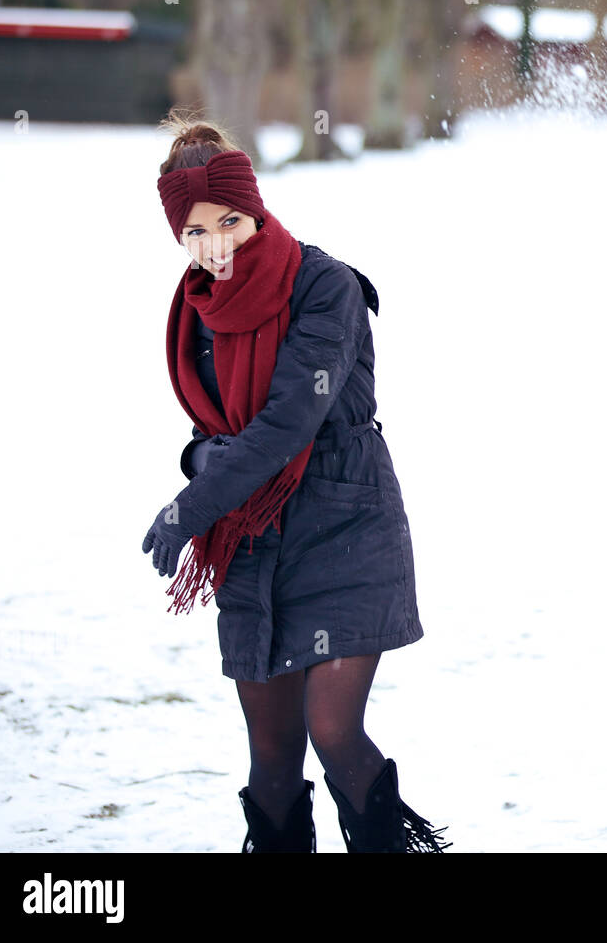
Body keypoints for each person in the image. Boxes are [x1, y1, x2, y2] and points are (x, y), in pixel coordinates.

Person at [140, 109, 450, 853]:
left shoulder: (325, 287)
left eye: (228, 223)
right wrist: (199, 465)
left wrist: (193, 504)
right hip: (253, 540)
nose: (213, 247)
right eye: (193, 233)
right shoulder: (197, 310)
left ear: (253, 207)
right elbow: (214, 430)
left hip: (345, 523)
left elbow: (286, 424)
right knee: (272, 764)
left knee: (333, 728)